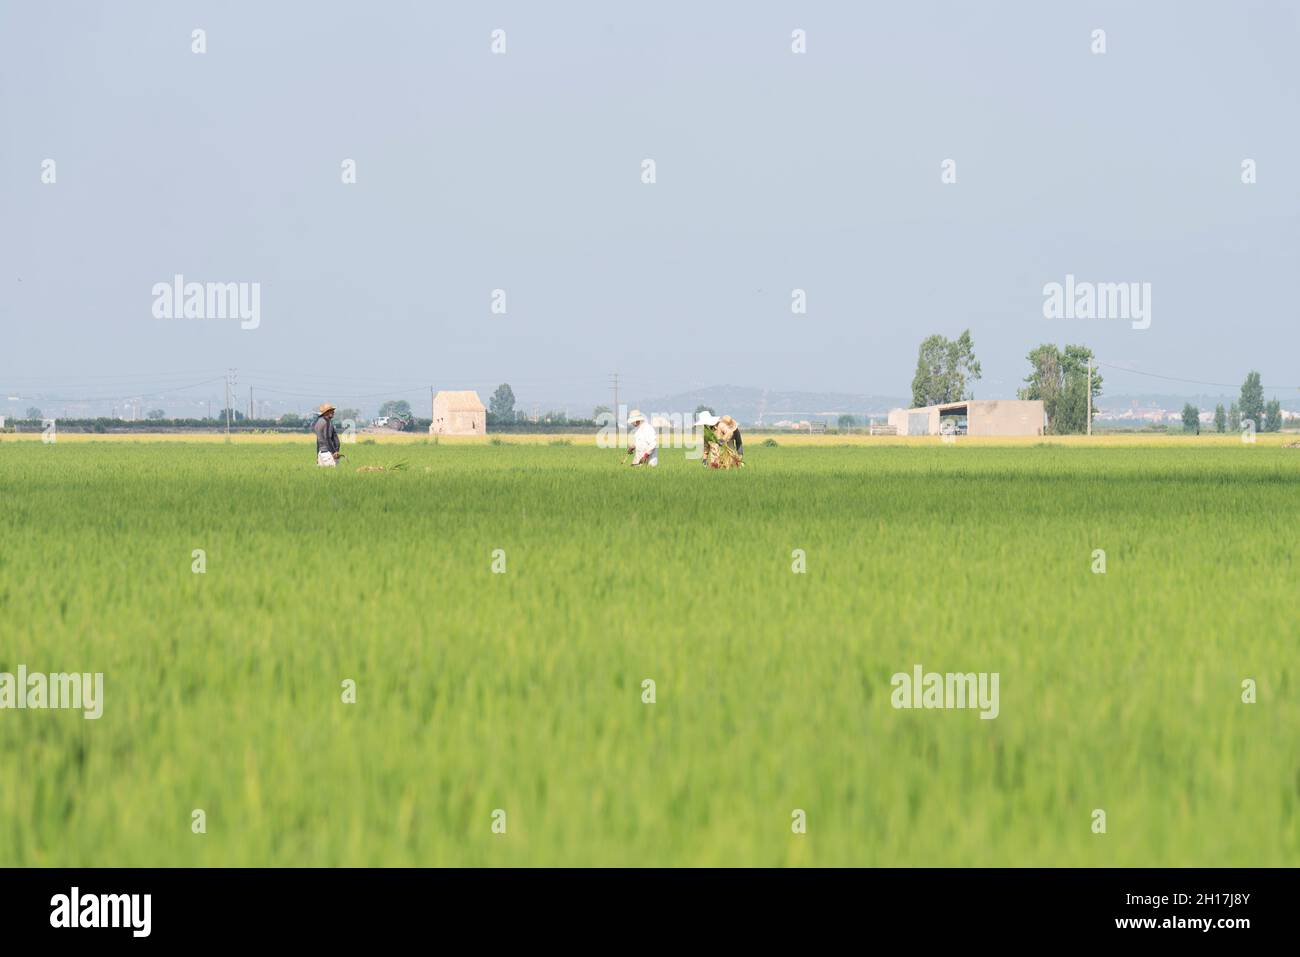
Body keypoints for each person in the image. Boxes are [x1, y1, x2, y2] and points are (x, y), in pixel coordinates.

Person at [312, 402, 340, 467]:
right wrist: (334, 452)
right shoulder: (327, 422)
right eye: (331, 411)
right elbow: (327, 438)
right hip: (328, 454)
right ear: (326, 412)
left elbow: (318, 441)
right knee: (332, 475)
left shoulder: (318, 422)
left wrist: (317, 456)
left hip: (321, 454)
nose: (333, 412)